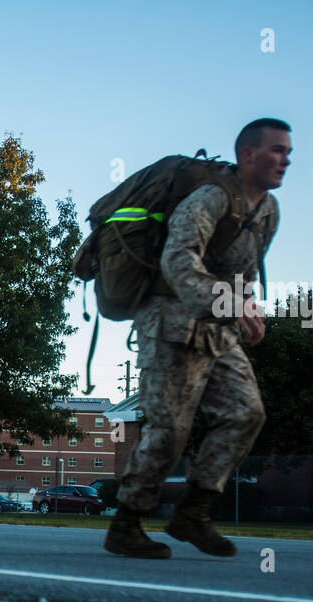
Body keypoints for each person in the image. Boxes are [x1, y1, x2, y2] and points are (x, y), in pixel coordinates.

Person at [105, 118, 290, 559]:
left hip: (217, 327)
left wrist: (248, 305)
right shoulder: (209, 199)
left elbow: (241, 272)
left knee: (246, 413)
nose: (285, 160)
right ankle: (125, 524)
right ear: (248, 154)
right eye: (276, 151)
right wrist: (230, 302)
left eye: (288, 152)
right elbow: (178, 262)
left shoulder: (268, 212)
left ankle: (192, 512)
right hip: (168, 319)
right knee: (170, 430)